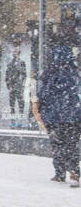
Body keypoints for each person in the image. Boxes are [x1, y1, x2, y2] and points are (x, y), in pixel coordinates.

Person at [33, 37, 81, 187]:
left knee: (58, 144)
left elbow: (42, 93)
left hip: (55, 117)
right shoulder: (75, 73)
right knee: (72, 143)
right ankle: (75, 171)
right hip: (74, 116)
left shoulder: (49, 73)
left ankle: (60, 173)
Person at [6, 46, 27, 116]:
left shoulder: (22, 63)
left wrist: (23, 85)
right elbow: (7, 76)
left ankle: (21, 115)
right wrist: (9, 86)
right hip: (12, 85)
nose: (16, 54)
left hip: (19, 85)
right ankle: (13, 116)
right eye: (15, 52)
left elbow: (24, 75)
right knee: (12, 102)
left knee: (20, 102)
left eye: (17, 52)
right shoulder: (10, 64)